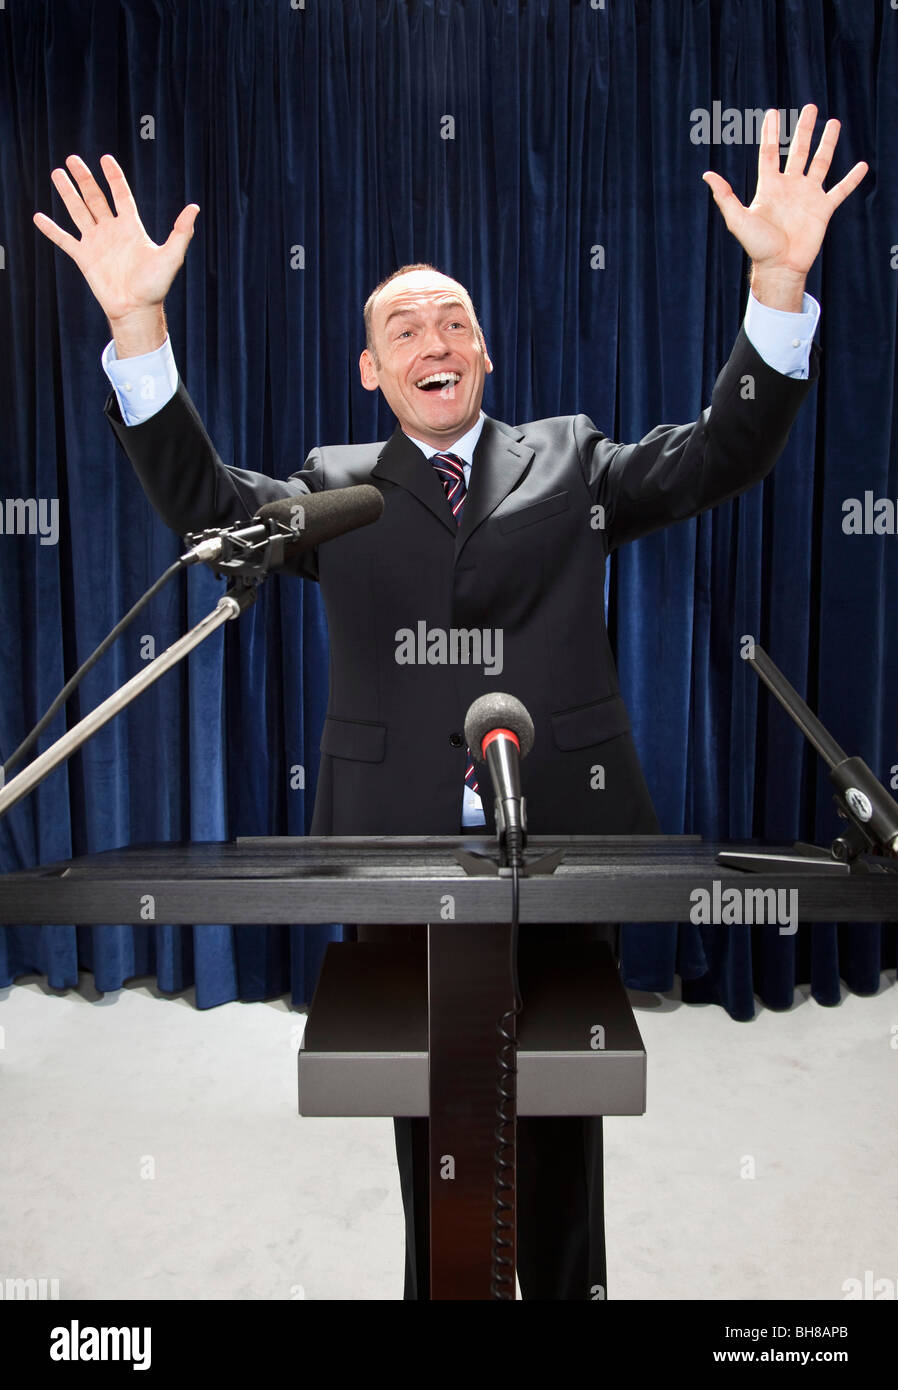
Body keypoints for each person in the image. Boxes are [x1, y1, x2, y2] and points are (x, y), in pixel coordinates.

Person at [34, 106, 866, 1300]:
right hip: (390, 843)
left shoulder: (572, 458)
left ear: (485, 354)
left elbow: (716, 456)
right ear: (373, 369)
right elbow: (206, 505)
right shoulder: (332, 488)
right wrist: (134, 323)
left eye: (456, 320)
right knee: (432, 1123)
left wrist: (779, 283)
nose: (435, 336)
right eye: (403, 324)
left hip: (567, 834)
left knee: (560, 1113)